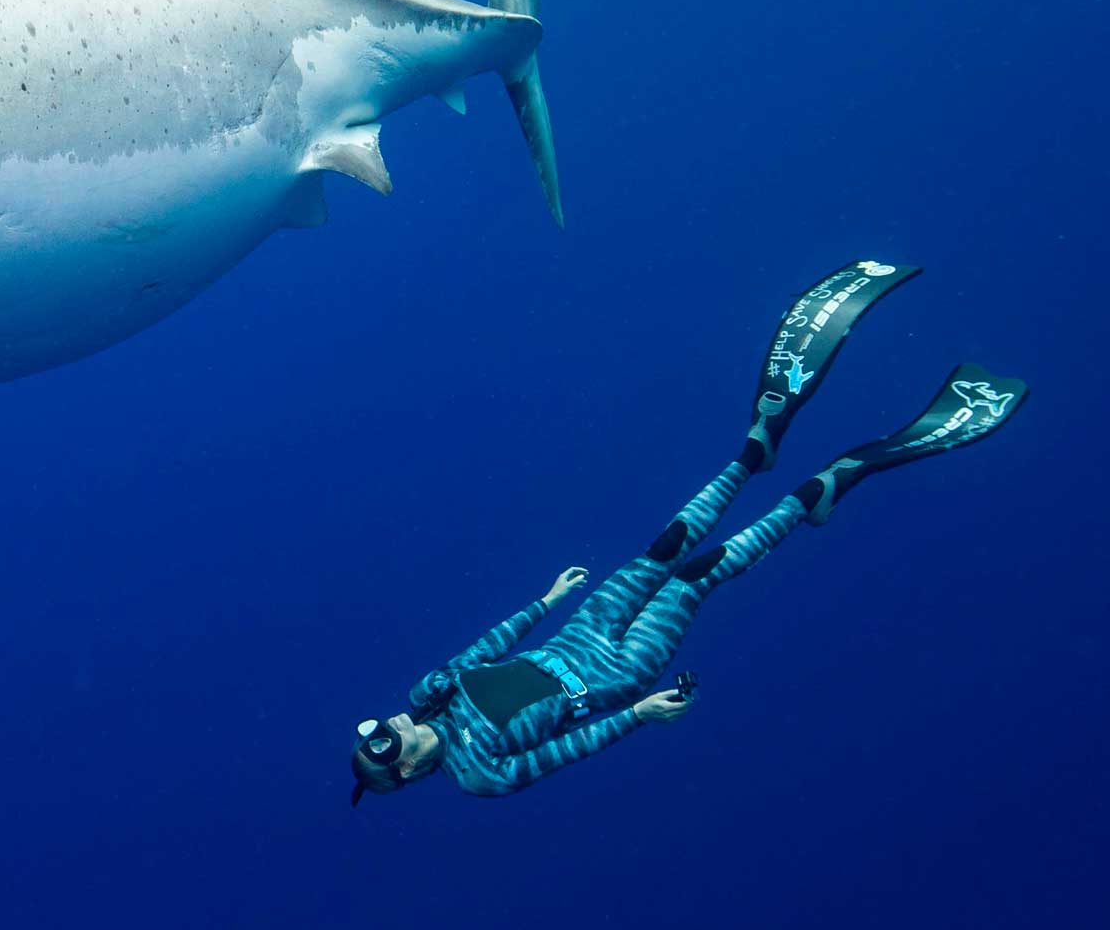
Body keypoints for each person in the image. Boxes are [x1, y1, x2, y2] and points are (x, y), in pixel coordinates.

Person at [350, 261, 1029, 803]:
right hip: (616, 671)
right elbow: (569, 749)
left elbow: (490, 642)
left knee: (665, 547)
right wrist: (641, 712)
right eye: (395, 744)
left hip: (578, 630)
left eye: (387, 727)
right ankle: (815, 489)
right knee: (697, 574)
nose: (401, 727)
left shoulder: (430, 692)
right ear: (407, 773)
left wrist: (549, 598)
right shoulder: (481, 775)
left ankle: (755, 457)